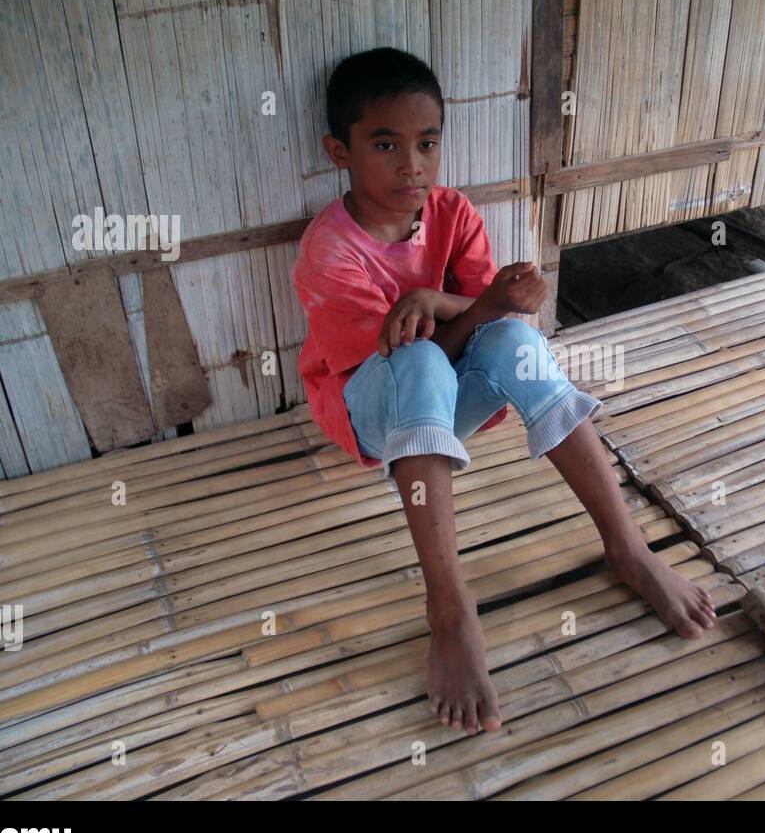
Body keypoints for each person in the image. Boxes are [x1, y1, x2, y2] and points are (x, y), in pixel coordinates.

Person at [291, 47, 717, 738]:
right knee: (428, 360)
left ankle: (627, 547)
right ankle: (451, 608)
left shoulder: (453, 213)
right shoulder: (331, 251)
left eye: (427, 143)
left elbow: (491, 318)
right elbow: (418, 349)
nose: (412, 166)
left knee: (519, 345)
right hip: (371, 418)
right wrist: (477, 303)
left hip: (442, 402)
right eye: (384, 145)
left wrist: (474, 303)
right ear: (339, 150)